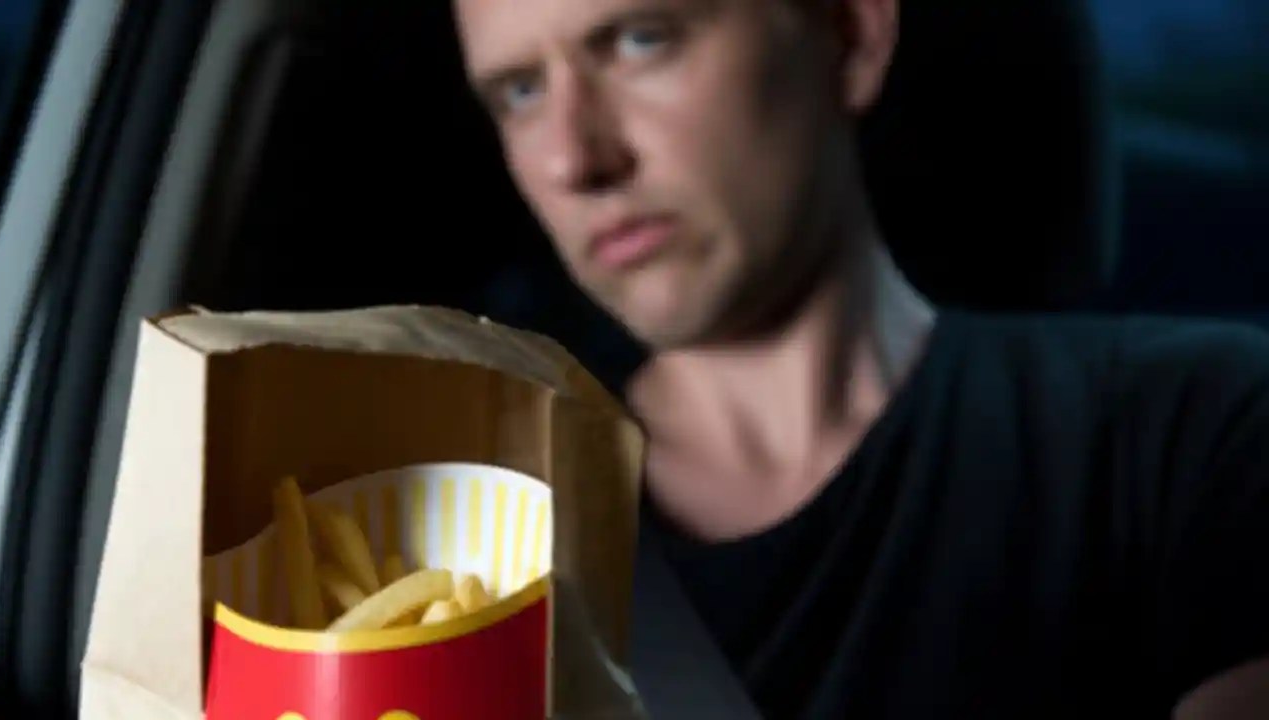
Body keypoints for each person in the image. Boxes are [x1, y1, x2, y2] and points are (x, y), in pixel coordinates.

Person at [451, 0, 1269, 716]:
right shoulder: (463, 543)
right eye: (520, 92)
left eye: (641, 41)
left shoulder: (1195, 434)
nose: (574, 160)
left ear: (852, 35)